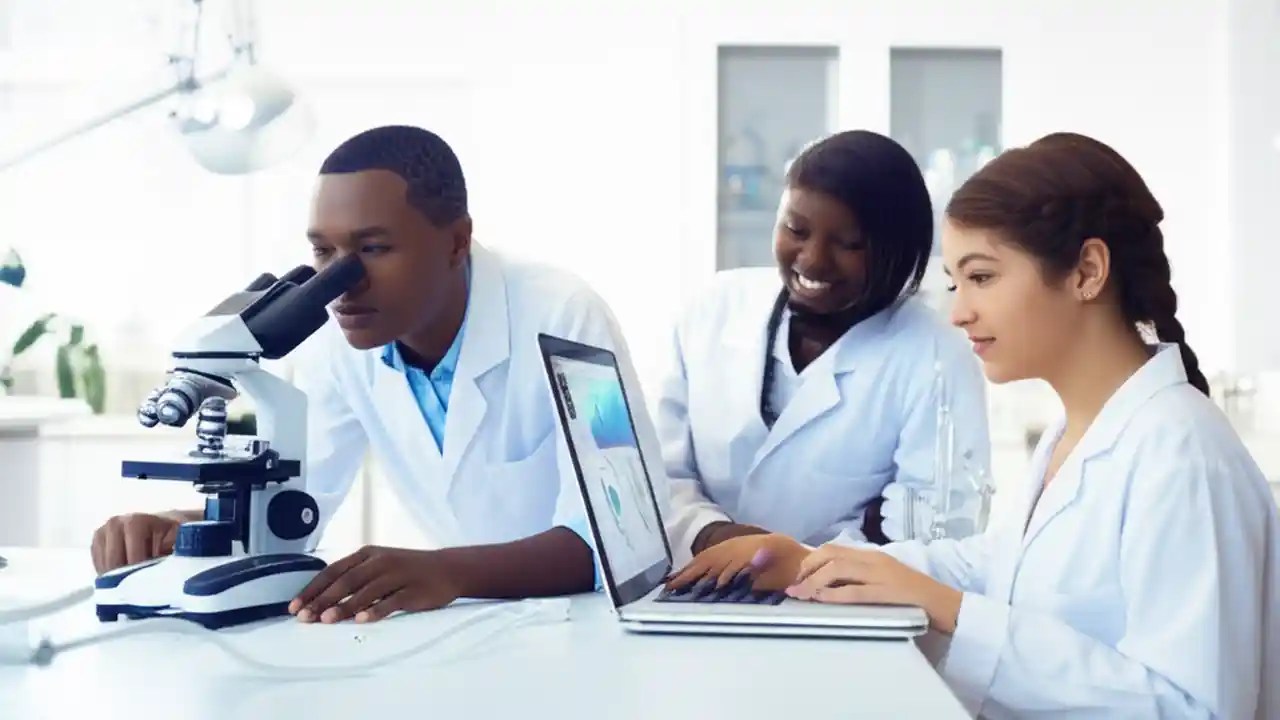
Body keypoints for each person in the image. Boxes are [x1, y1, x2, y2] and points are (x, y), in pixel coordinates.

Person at [721, 133, 1280, 718]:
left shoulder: (1182, 455)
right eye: (955, 283)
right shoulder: (1082, 431)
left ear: (1087, 271)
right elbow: (998, 568)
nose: (959, 311)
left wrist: (951, 610)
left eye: (982, 278)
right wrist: (817, 563)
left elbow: (1197, 710)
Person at [89, 125, 664, 623]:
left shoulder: (563, 312)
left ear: (457, 242)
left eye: (375, 248)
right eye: (323, 253)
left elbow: (622, 540)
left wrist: (447, 572)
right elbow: (294, 511)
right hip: (472, 627)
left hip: (591, 626)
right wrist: (180, 530)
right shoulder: (339, 346)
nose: (342, 283)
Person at [658, 129, 991, 577]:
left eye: (848, 244)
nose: (813, 260)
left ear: (897, 252)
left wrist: (802, 563)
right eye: (796, 229)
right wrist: (715, 536)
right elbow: (656, 476)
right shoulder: (712, 311)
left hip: (846, 608)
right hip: (694, 581)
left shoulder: (933, 354)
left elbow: (935, 534)